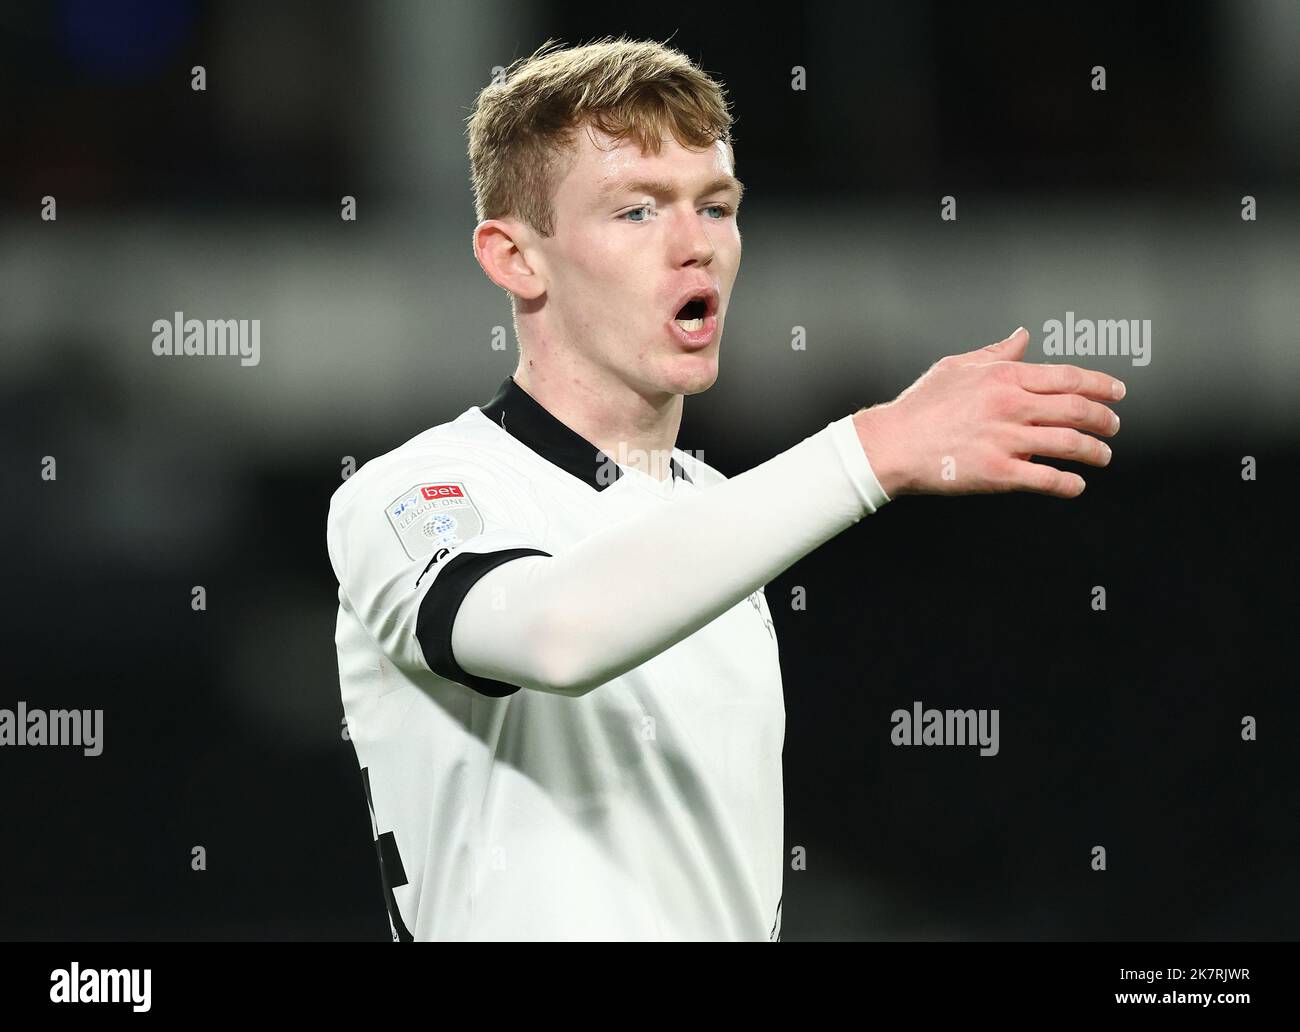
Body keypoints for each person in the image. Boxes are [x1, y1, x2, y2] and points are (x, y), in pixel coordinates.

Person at [325, 36, 1125, 941]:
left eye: (715, 206)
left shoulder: (721, 521)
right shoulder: (414, 493)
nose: (694, 245)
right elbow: (556, 636)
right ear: (515, 258)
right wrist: (872, 447)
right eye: (636, 211)